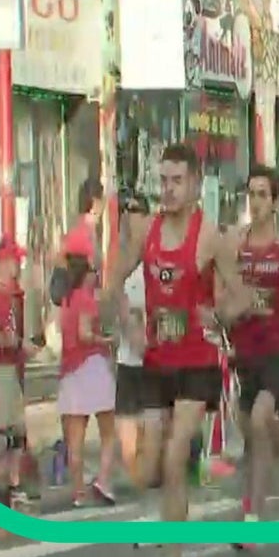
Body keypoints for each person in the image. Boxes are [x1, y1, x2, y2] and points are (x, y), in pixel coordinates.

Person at [104, 144, 251, 557]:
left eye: (176, 181)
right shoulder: (145, 230)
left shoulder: (210, 236)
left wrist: (217, 314)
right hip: (156, 362)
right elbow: (112, 282)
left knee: (173, 456)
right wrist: (130, 323)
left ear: (194, 184)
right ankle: (172, 501)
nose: (167, 189)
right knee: (148, 469)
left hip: (197, 363)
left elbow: (240, 298)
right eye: (163, 180)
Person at [218, 166, 279, 542]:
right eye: (251, 194)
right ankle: (255, 514)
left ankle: (253, 517)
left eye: (262, 195)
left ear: (275, 202)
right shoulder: (234, 244)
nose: (255, 202)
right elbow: (223, 299)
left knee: (260, 419)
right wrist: (225, 313)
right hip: (247, 350)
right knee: (251, 436)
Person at [0, 238, 42, 508]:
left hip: (10, 369)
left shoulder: (8, 295)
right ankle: (2, 489)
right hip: (0, 372)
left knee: (16, 433)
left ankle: (14, 486)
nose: (19, 265)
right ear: (4, 262)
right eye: (16, 260)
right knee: (5, 433)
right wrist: (18, 344)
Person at [57, 242, 118, 508]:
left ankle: (78, 492)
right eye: (94, 270)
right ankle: (103, 479)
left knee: (75, 439)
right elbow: (84, 334)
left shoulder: (67, 300)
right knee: (108, 431)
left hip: (69, 370)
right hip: (91, 366)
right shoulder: (86, 298)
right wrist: (105, 340)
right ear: (87, 274)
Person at [113, 192, 153, 498]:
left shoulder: (157, 262)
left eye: (135, 211)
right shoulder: (120, 263)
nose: (128, 216)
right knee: (128, 436)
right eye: (124, 211)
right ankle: (140, 480)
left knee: (151, 432)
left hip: (155, 360)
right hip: (128, 360)